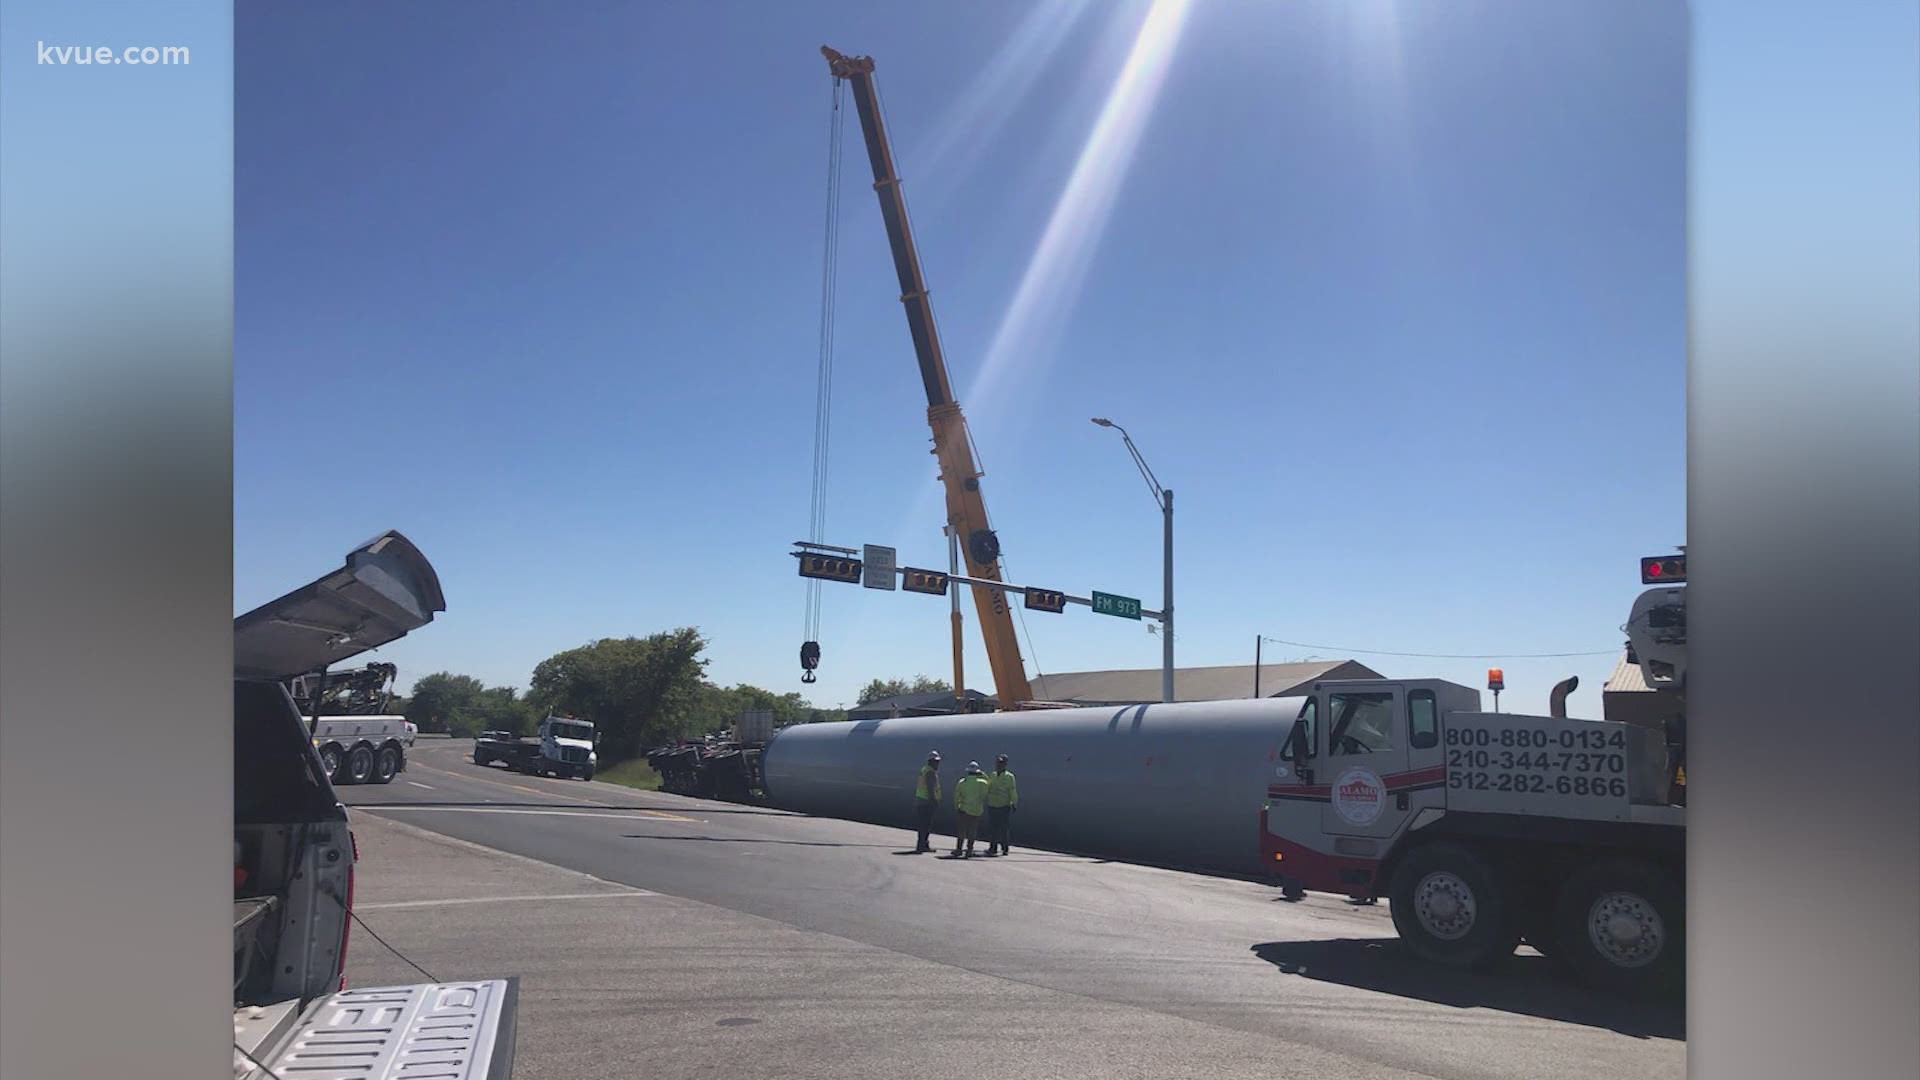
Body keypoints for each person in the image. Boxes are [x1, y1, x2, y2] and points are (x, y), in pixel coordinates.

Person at [952, 762, 991, 858]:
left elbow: (956, 796)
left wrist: (957, 807)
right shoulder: (982, 783)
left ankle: (959, 849)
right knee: (972, 831)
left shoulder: (962, 782)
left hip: (964, 810)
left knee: (962, 831)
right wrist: (983, 774)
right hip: (976, 811)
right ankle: (969, 850)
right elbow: (990, 785)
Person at [983, 753, 1018, 856]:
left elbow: (1012, 790)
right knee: (993, 828)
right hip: (992, 805)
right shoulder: (993, 775)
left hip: (1003, 806)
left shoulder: (1009, 777)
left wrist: (1014, 803)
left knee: (1003, 828)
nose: (999, 765)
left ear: (1005, 764)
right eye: (998, 763)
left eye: (1001, 763)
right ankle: (993, 847)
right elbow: (988, 787)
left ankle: (1005, 848)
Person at [912, 751, 942, 853]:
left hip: (921, 800)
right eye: (936, 761)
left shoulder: (924, 769)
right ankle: (922, 845)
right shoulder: (930, 772)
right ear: (931, 762)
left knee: (923, 825)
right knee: (926, 825)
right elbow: (930, 788)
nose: (938, 764)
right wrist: (933, 800)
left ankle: (921, 844)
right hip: (926, 802)